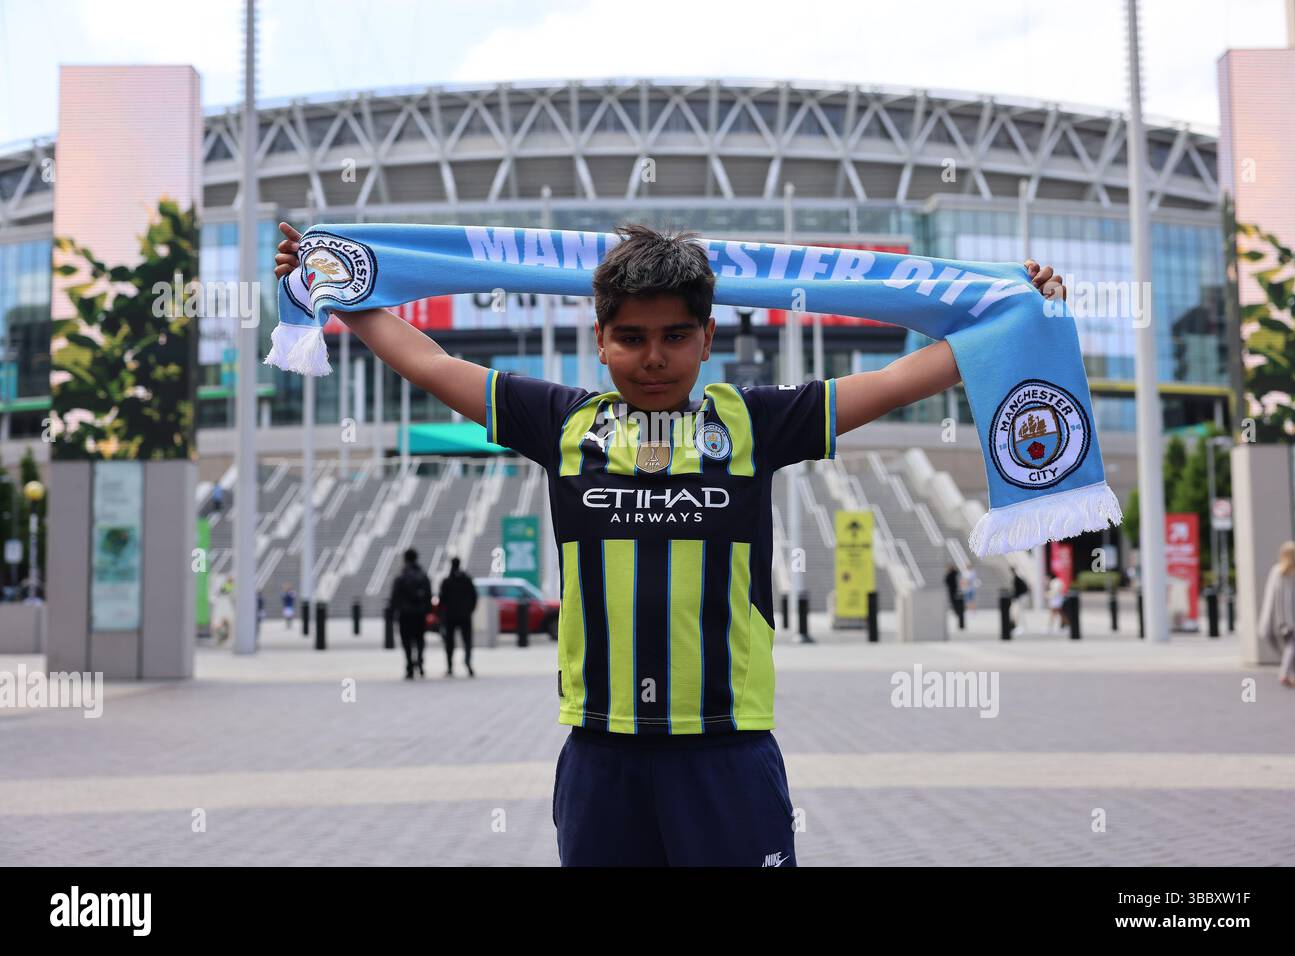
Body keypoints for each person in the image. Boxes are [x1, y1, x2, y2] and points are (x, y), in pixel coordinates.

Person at [275, 220, 1066, 867]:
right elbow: (428, 359)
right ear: (601, 338)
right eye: (632, 337)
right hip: (601, 750)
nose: (653, 358)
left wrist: (1013, 311)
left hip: (726, 749)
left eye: (675, 336)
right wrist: (335, 288)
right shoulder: (562, 423)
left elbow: (899, 379)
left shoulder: (755, 423)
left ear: (708, 337)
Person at [1259, 541, 1295, 687]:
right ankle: (1285, 672)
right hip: (1294, 620)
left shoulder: (1276, 571)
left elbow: (1270, 598)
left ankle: (1293, 675)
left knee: (1291, 647)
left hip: (1277, 619)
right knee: (1293, 646)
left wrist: (1266, 620)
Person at [390, 548, 433, 679]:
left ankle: (409, 666)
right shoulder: (423, 576)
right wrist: (428, 610)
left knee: (406, 641)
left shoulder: (401, 576)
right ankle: (419, 663)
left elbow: (395, 596)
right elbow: (429, 595)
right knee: (420, 639)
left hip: (405, 614)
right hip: (419, 613)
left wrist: (393, 612)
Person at [438, 557, 478, 678]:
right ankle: (468, 663)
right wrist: (470, 610)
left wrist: (443, 615)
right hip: (465, 615)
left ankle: (450, 667)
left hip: (450, 616)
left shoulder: (447, 581)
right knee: (467, 640)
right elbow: (474, 596)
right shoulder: (467, 579)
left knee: (449, 642)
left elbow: (442, 600)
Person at [1010, 568, 1029, 633]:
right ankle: (1020, 626)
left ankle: (1021, 626)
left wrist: (1015, 597)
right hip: (1022, 596)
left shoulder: (1017, 579)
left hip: (1021, 597)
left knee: (1020, 612)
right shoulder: (1018, 578)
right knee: (1019, 612)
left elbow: (1017, 590)